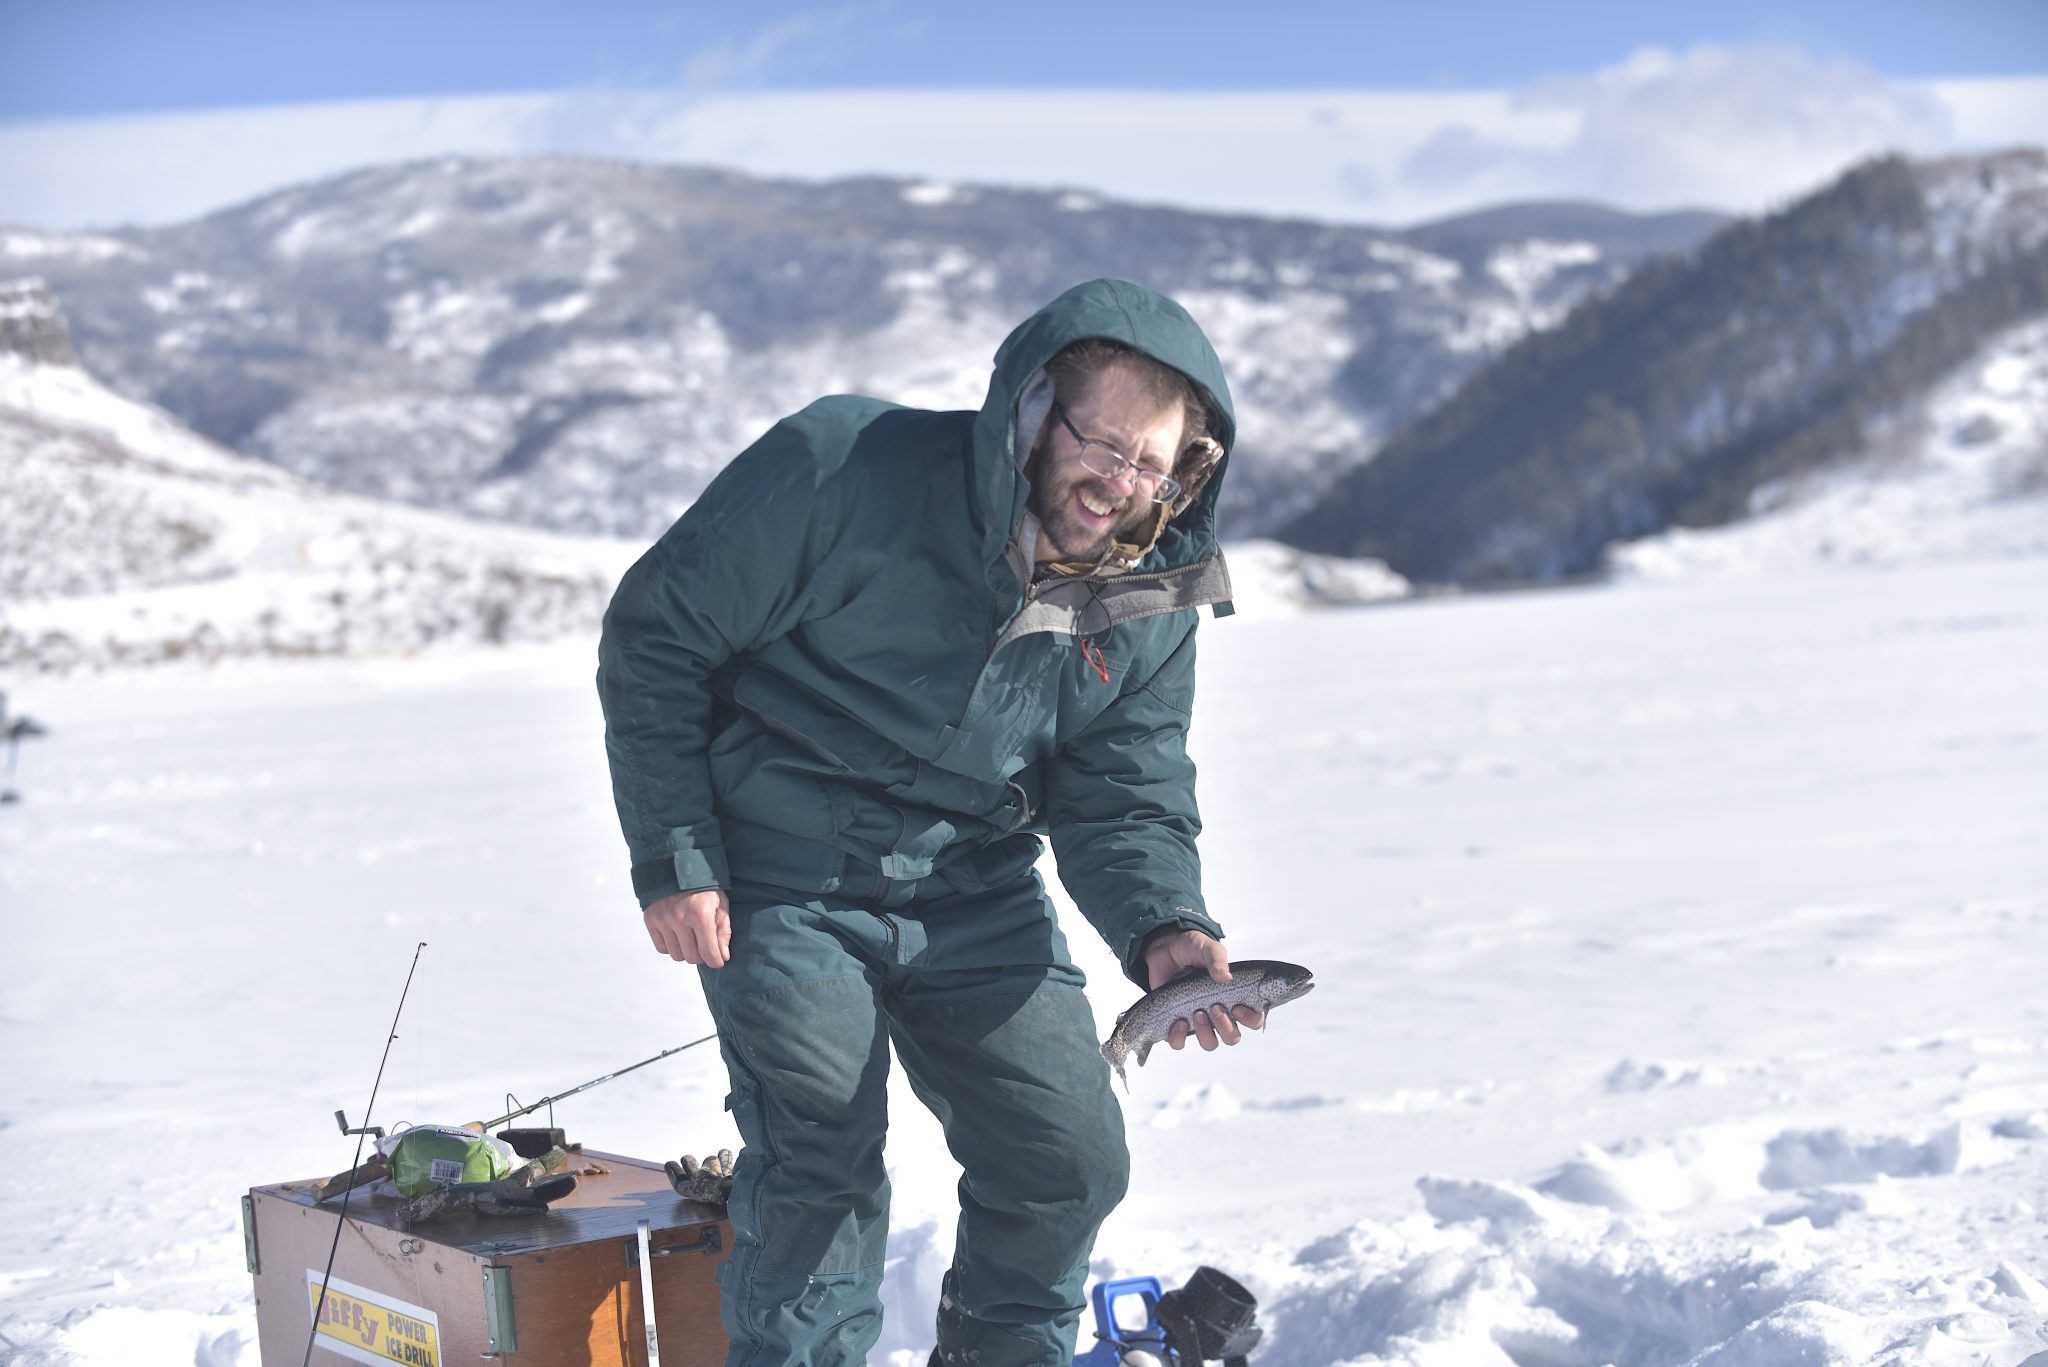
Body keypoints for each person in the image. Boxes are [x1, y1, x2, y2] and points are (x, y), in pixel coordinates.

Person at [597, 278, 1263, 1367]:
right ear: (1033, 412)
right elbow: (655, 634)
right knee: (819, 1156)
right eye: (1098, 441)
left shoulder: (1150, 592)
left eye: (1148, 462)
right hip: (781, 860)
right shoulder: (844, 470)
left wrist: (1162, 926)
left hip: (970, 879)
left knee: (1067, 1154)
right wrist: (674, 854)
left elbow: (1122, 782)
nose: (1116, 481)